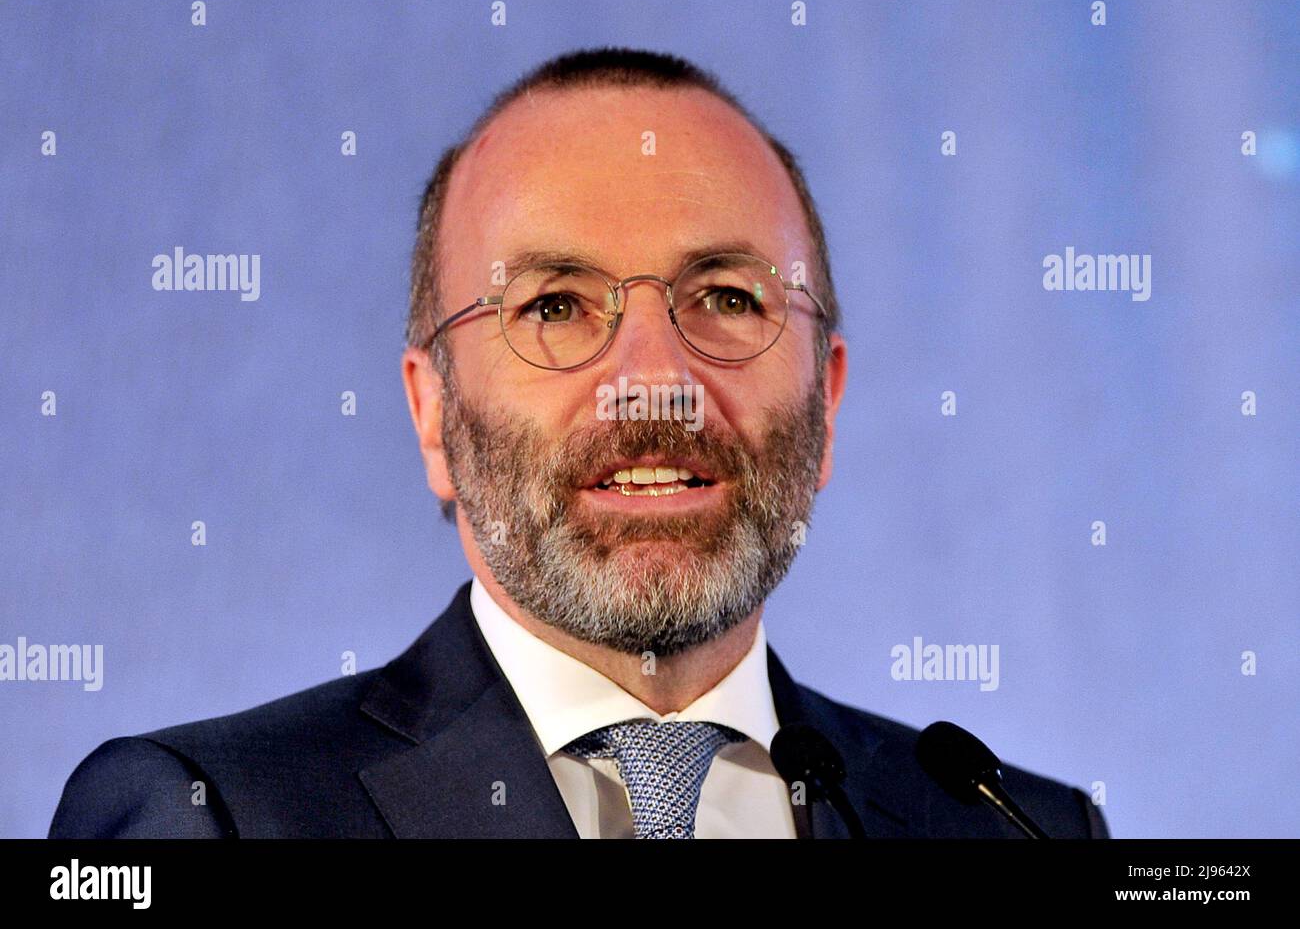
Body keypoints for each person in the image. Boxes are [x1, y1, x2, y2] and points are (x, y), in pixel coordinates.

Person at [49, 47, 1108, 839]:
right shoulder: (208, 812)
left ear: (826, 400)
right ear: (432, 410)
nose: (653, 381)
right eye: (554, 306)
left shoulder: (1020, 829)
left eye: (728, 296)